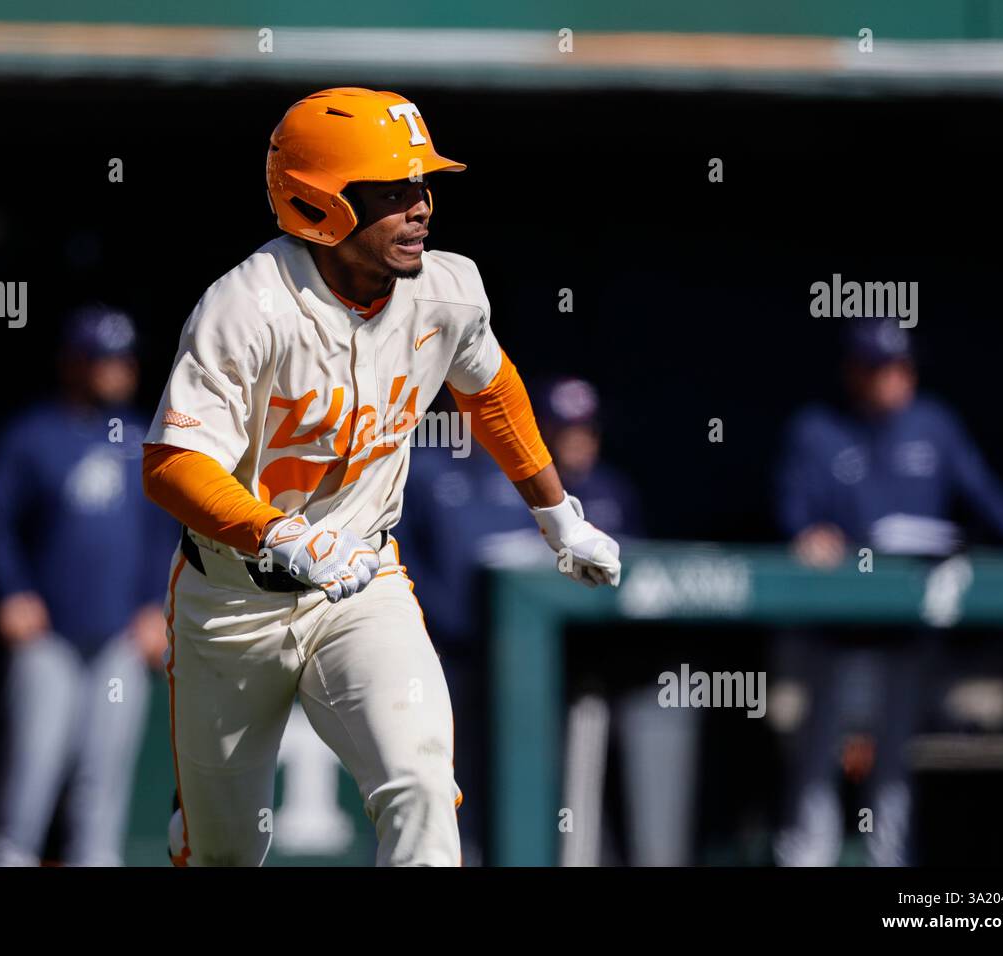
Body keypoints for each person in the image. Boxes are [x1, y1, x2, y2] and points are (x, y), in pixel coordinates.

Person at [142, 87, 623, 867]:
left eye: (423, 186)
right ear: (317, 204)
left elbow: (488, 387)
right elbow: (171, 467)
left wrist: (557, 514)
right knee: (224, 853)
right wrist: (279, 534)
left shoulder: (449, 288)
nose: (421, 207)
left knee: (422, 785)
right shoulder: (248, 304)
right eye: (392, 191)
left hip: (365, 578)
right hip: (233, 596)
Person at [772, 318, 1003, 866]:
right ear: (853, 372)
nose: (893, 379)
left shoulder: (933, 425)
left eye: (901, 367)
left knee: (892, 769)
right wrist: (807, 535)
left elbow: (981, 492)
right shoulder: (817, 429)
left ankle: (893, 873)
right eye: (880, 368)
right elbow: (792, 512)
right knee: (816, 762)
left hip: (905, 632)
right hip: (835, 634)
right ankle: (805, 858)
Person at [399, 377, 641, 864]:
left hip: (527, 662)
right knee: (434, 774)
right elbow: (402, 558)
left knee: (528, 777)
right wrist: (440, 623)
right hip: (444, 657)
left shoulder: (530, 476)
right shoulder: (423, 470)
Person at [0, 304, 174, 866]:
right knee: (33, 764)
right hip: (50, 635)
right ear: (72, 363)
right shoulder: (32, 437)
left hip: (118, 635)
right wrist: (11, 590)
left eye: (123, 359)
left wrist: (153, 608)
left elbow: (164, 533)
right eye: (102, 360)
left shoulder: (145, 440)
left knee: (103, 773)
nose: (117, 370)